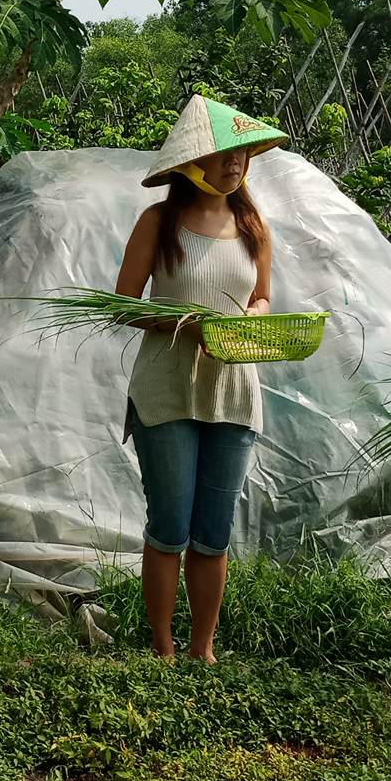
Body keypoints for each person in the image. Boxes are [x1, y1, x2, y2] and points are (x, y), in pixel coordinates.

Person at [114, 95, 286, 662]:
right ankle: (163, 648)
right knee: (169, 527)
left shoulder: (253, 227)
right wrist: (184, 324)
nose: (236, 162)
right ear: (192, 163)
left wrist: (252, 319)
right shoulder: (159, 222)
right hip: (165, 391)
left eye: (242, 153)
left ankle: (203, 649)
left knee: (213, 533)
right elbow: (123, 302)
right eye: (223, 153)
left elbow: (262, 298)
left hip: (232, 393)